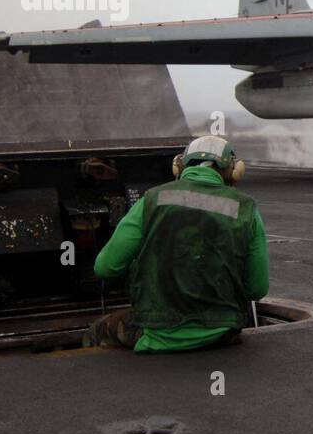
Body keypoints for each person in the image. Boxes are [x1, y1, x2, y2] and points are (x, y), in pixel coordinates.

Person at [83, 135, 269, 352]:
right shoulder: (247, 210)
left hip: (157, 333)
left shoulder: (150, 201)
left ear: (179, 166)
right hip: (222, 332)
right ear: (233, 171)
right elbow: (257, 288)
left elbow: (105, 268)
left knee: (96, 331)